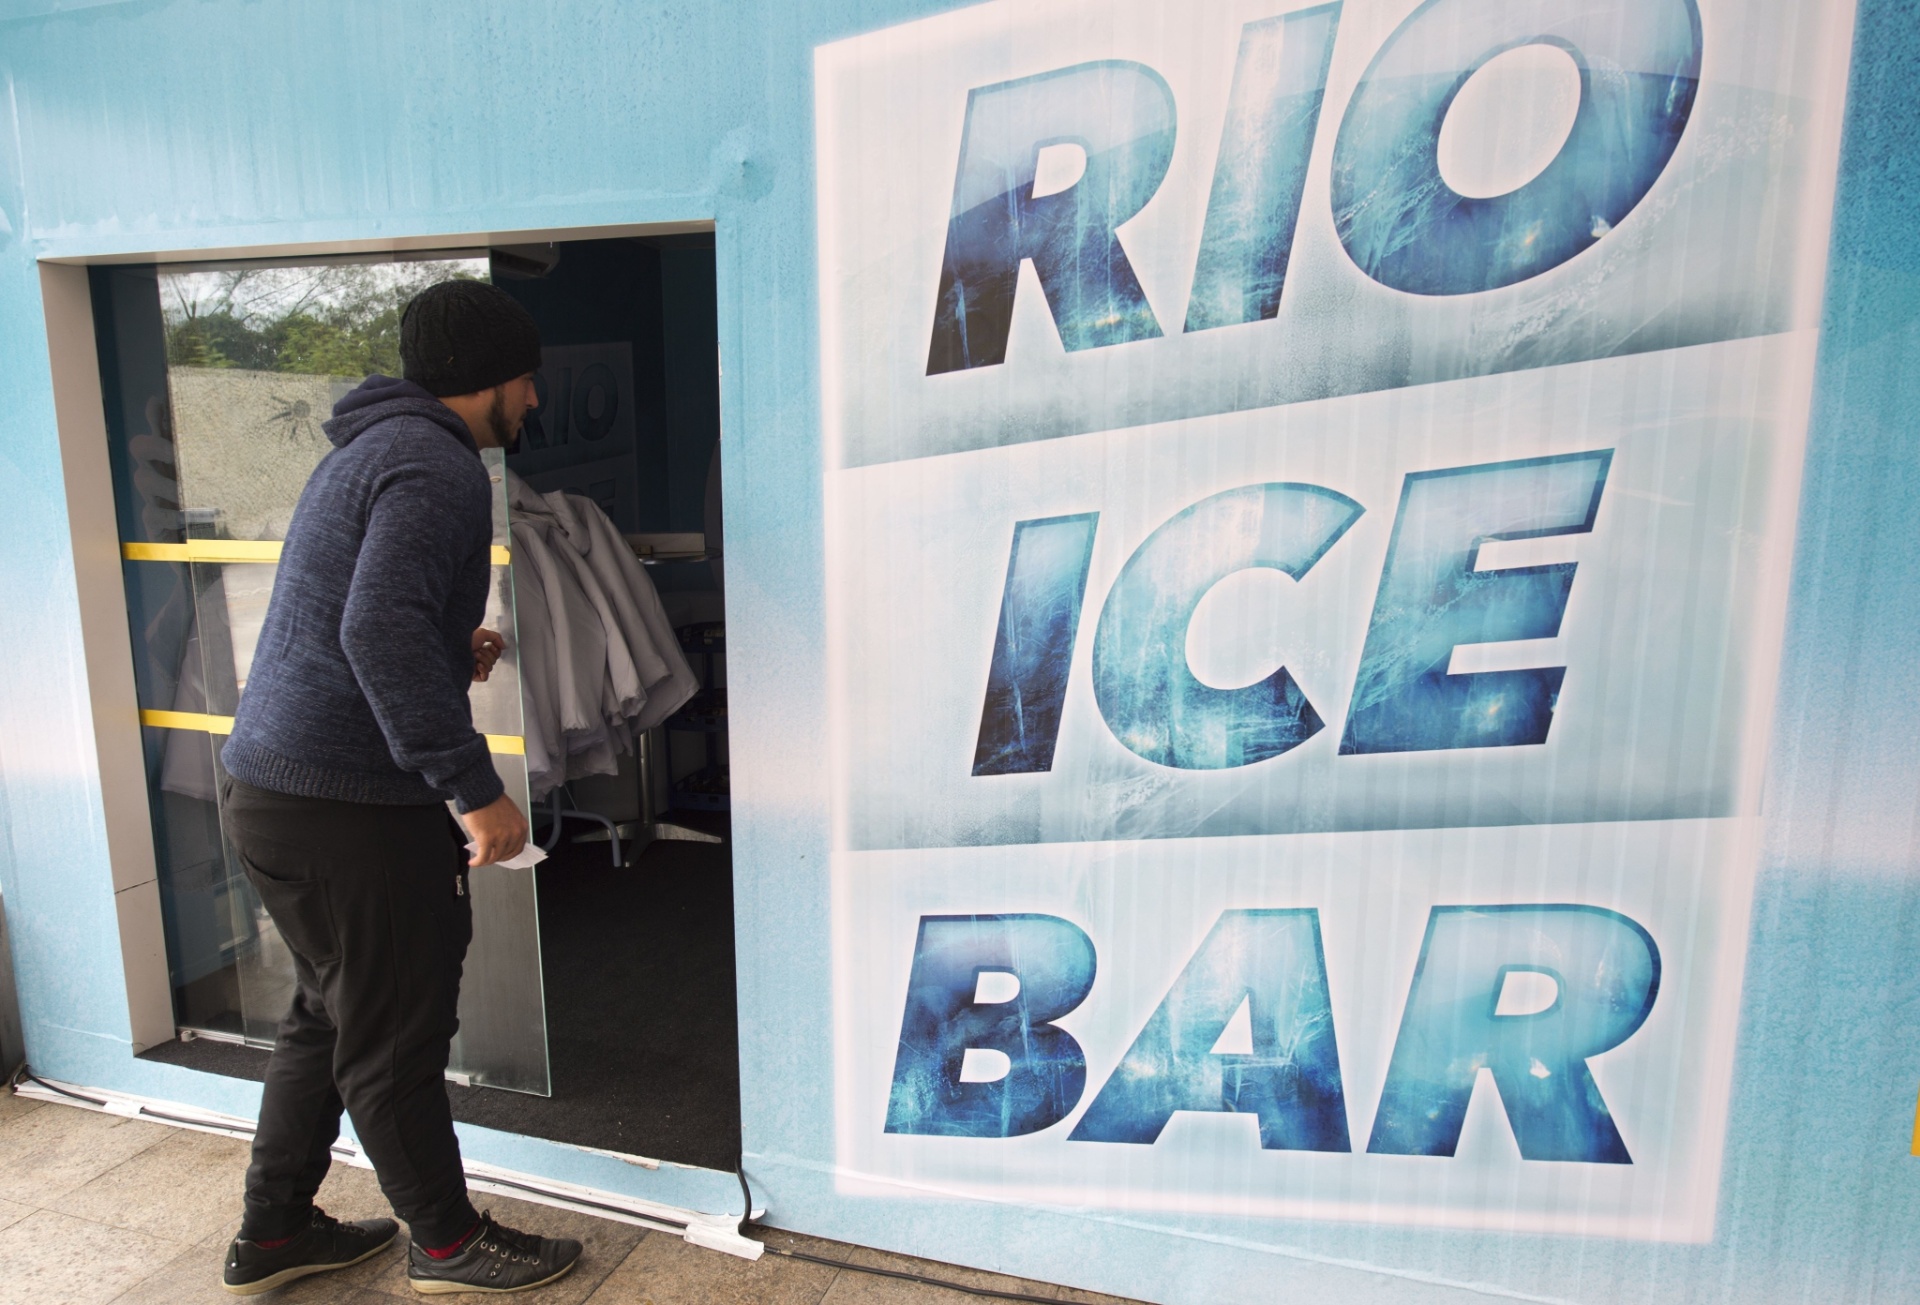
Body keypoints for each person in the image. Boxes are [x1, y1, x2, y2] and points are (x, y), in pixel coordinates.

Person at [215, 279, 583, 1296]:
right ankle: (447, 1240)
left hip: (279, 791)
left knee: (330, 1016)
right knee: (394, 1036)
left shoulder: (369, 450)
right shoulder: (437, 466)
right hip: (349, 810)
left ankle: (278, 1230)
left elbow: (364, 609)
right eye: (525, 381)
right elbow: (372, 628)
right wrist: (474, 788)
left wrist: (445, 642)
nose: (534, 402)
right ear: (486, 383)